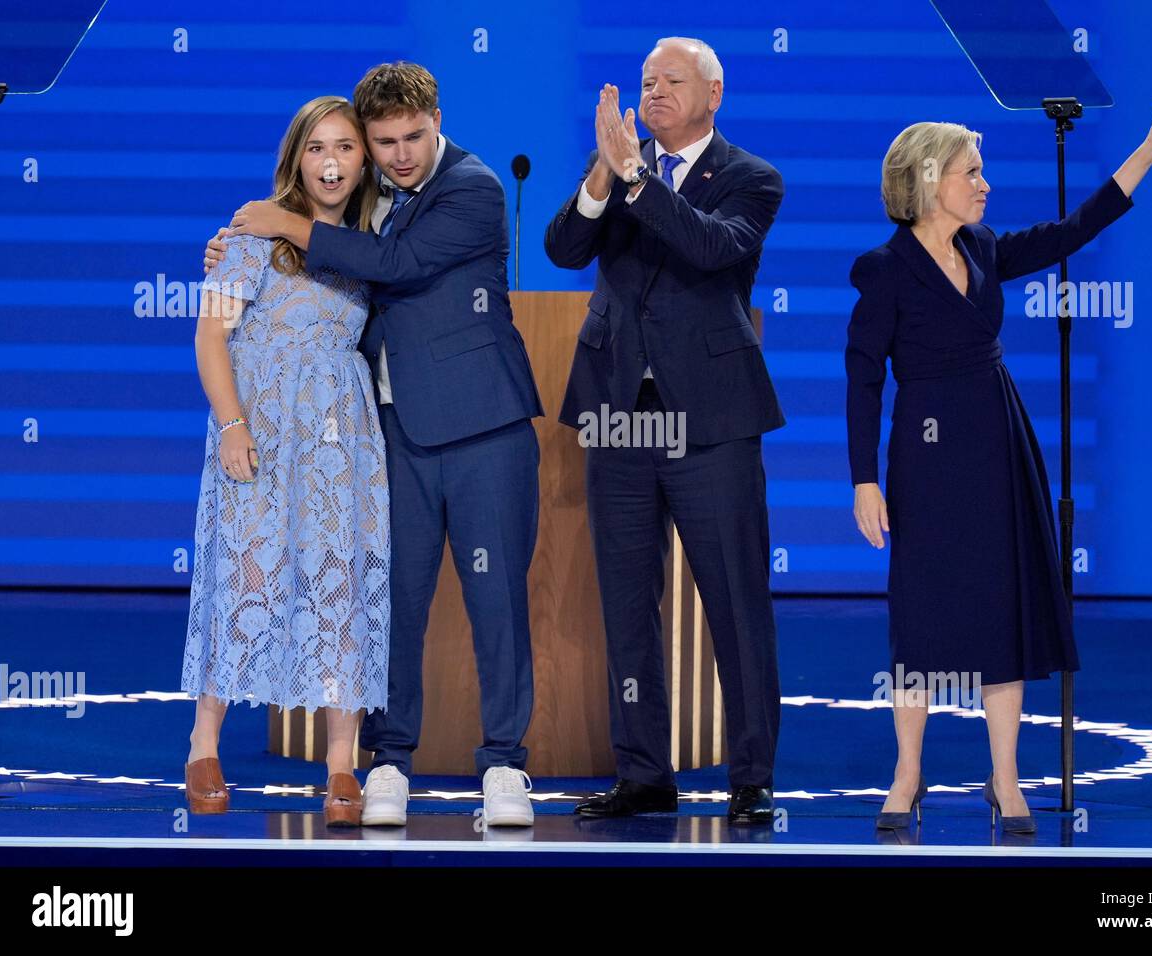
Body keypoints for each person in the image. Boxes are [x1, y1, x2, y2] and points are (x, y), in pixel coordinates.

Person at [212, 62, 544, 828]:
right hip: (390, 433)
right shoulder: (362, 203)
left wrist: (282, 222)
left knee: (496, 599)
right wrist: (242, 247)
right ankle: (389, 758)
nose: (398, 154)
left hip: (483, 427)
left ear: (437, 120)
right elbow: (323, 272)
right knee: (392, 601)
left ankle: (504, 765)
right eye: (382, 142)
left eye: (412, 137)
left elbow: (398, 266)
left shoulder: (474, 186)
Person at [847, 103, 1152, 833]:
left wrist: (1146, 157)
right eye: (973, 171)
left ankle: (1004, 776)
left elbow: (1071, 231)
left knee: (1001, 608)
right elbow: (864, 375)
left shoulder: (986, 248)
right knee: (923, 611)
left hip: (997, 441)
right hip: (926, 457)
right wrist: (864, 479)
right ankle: (909, 770)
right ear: (932, 181)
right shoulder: (883, 270)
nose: (985, 184)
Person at [544, 37, 785, 824]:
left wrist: (637, 178)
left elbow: (712, 248)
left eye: (671, 81)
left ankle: (750, 775)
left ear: (714, 93)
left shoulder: (751, 179)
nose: (654, 92)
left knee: (736, 603)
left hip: (710, 419)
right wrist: (600, 179)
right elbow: (563, 248)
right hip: (618, 416)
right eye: (646, 82)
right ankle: (643, 771)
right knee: (625, 604)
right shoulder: (614, 163)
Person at [182, 95, 388, 828]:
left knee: (340, 582)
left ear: (364, 161)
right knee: (247, 575)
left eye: (345, 149)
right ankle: (204, 744)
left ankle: (342, 765)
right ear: (296, 157)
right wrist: (233, 425)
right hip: (259, 430)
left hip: (340, 441)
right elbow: (212, 338)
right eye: (317, 149)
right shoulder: (249, 237)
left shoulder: (372, 242)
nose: (331, 164)